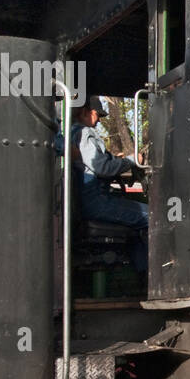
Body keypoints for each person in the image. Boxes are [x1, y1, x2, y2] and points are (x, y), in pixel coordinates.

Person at [70, 94, 148, 271]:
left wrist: (119, 162)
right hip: (96, 202)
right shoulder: (84, 133)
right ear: (84, 112)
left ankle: (140, 276)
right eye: (97, 115)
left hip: (89, 201)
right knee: (152, 217)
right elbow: (101, 167)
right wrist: (131, 160)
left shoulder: (73, 133)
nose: (98, 121)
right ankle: (153, 278)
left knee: (135, 226)